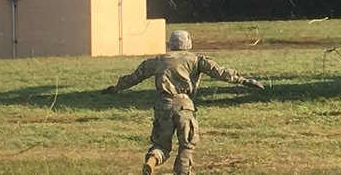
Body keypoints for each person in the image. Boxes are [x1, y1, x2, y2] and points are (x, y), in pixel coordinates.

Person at [101, 30, 265, 175]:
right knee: (187, 144)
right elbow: (220, 72)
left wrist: (115, 88)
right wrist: (244, 80)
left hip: (163, 106)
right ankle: (182, 172)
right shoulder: (196, 59)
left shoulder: (158, 61)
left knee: (161, 145)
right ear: (188, 43)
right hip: (184, 106)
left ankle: (151, 161)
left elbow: (135, 77)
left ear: (171, 44)